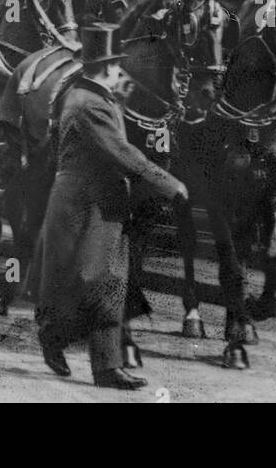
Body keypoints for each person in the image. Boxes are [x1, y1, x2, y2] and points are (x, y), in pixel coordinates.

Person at [35, 22, 188, 390]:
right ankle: (58, 339)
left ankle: (105, 367)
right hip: (85, 205)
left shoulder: (96, 96)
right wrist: (170, 184)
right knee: (95, 281)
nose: (122, 71)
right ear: (106, 68)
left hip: (98, 202)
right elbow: (122, 152)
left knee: (107, 282)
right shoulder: (89, 104)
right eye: (117, 65)